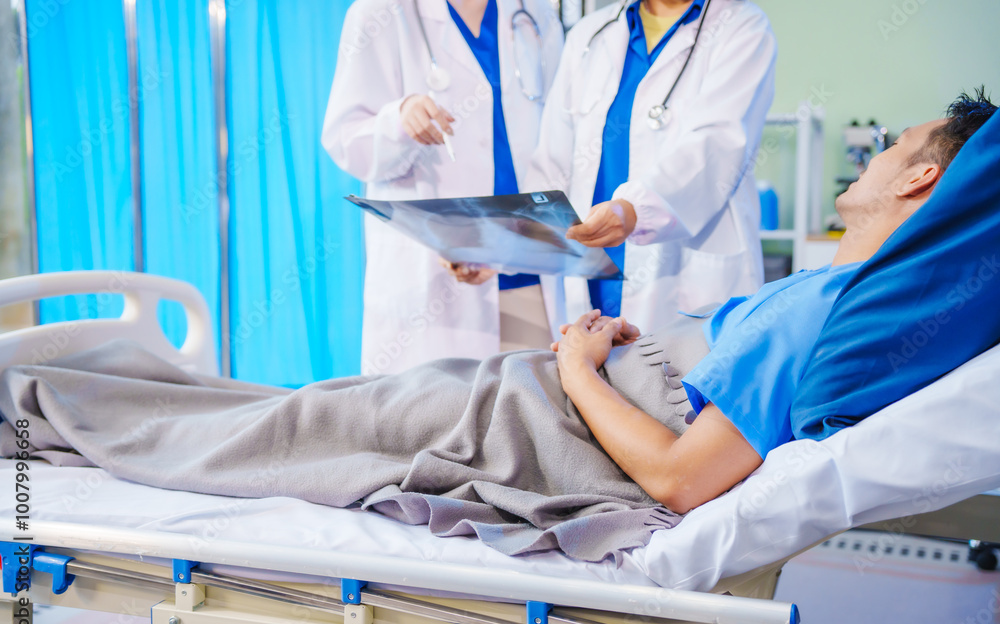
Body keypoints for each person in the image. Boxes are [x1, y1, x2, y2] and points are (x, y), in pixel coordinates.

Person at [4, 94, 994, 560]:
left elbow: (681, 477)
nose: (861, 164)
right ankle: (77, 394)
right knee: (297, 409)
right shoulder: (835, 298)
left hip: (550, 408)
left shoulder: (827, 310)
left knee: (291, 423)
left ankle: (38, 399)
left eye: (893, 146)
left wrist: (574, 369)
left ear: (917, 179)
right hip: (559, 385)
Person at [322, 0, 564, 375]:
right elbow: (344, 140)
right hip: (430, 285)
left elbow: (559, 141)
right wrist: (398, 121)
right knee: (435, 421)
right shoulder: (379, 13)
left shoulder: (537, 17)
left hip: (525, 267)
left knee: (529, 416)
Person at [505, 0, 777, 333]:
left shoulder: (741, 27)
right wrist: (505, 249)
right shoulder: (590, 34)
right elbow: (552, 163)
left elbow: (717, 145)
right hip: (591, 280)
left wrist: (636, 210)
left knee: (673, 376)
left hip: (683, 277)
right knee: (587, 377)